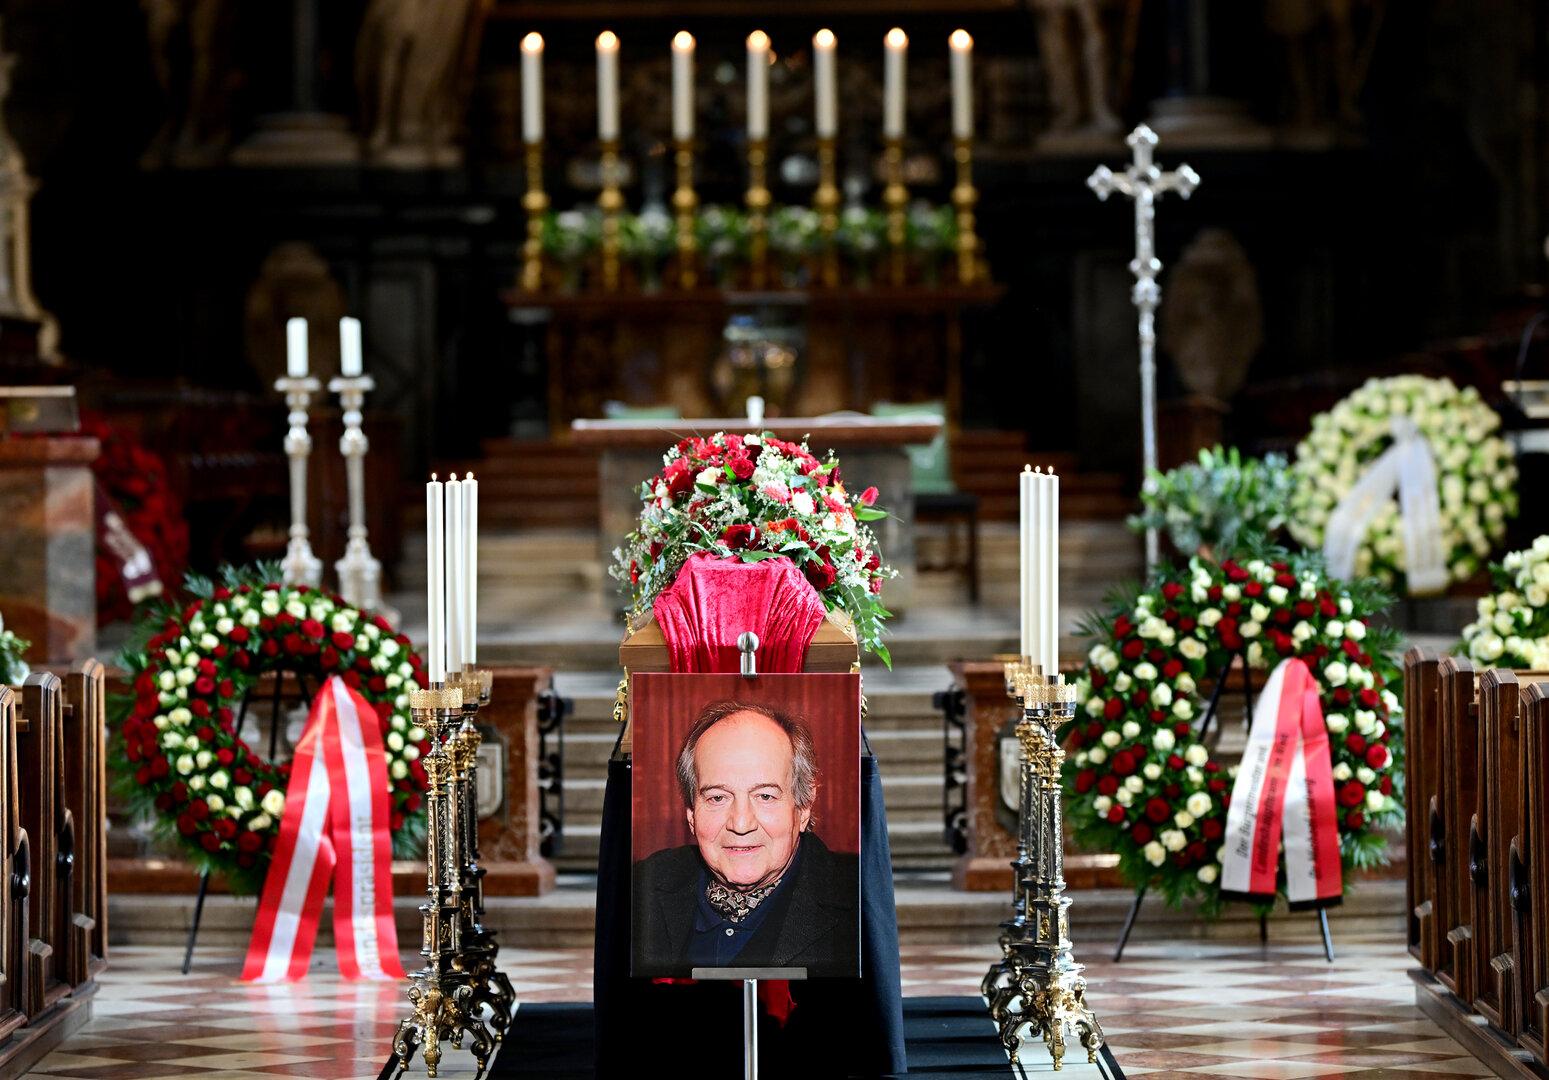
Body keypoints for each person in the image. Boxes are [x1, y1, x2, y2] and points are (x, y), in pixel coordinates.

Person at [633, 700, 859, 978]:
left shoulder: (858, 901)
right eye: (717, 798)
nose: (741, 824)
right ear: (691, 813)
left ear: (803, 807)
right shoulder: (640, 890)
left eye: (765, 796)